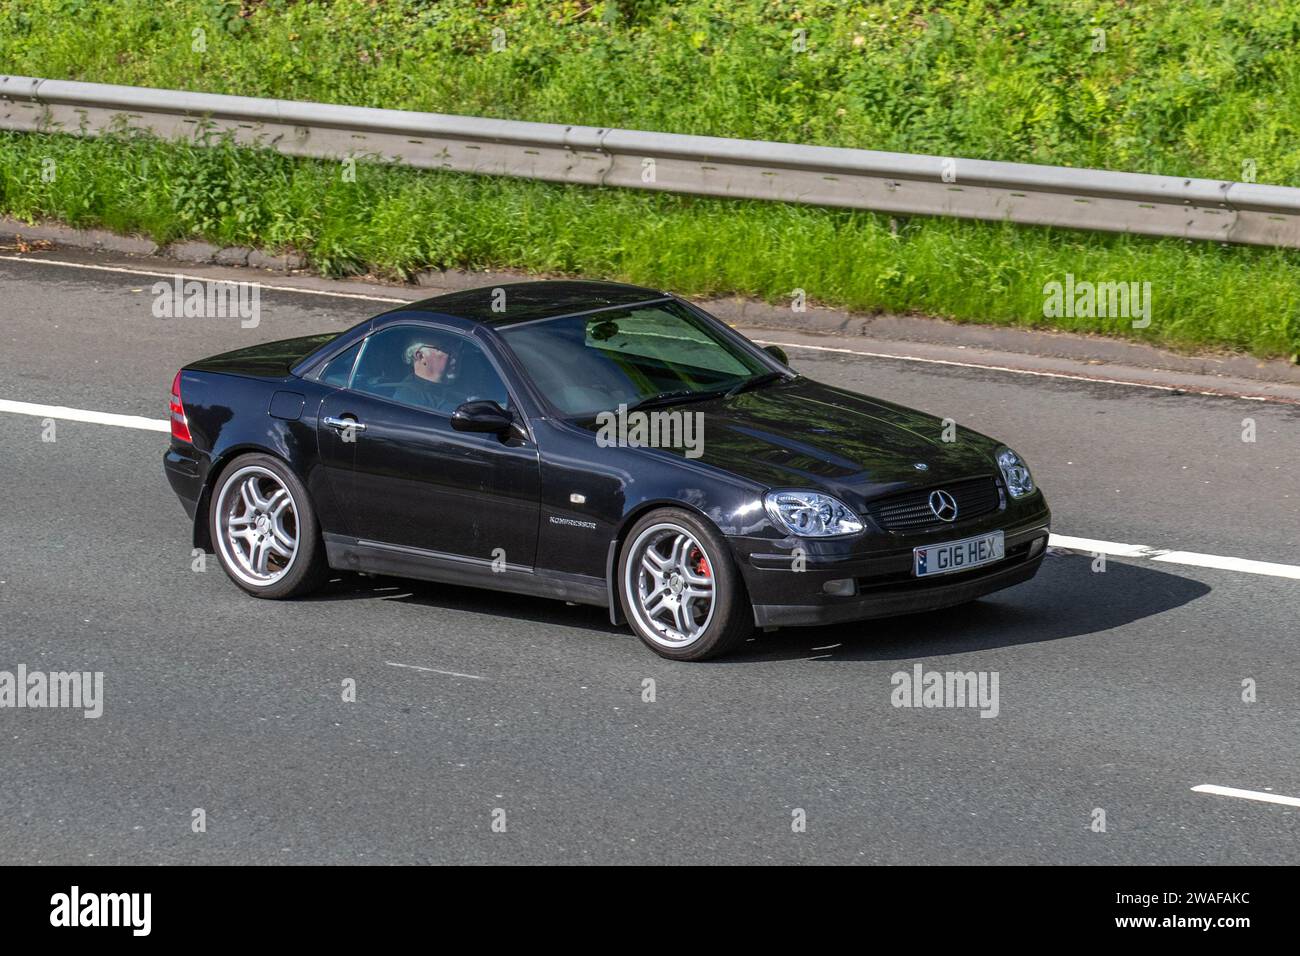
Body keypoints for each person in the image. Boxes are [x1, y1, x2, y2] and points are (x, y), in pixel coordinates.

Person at [391, 339, 458, 412]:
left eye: (457, 349)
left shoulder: (458, 391)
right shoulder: (407, 397)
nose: (456, 355)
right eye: (446, 348)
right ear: (421, 356)